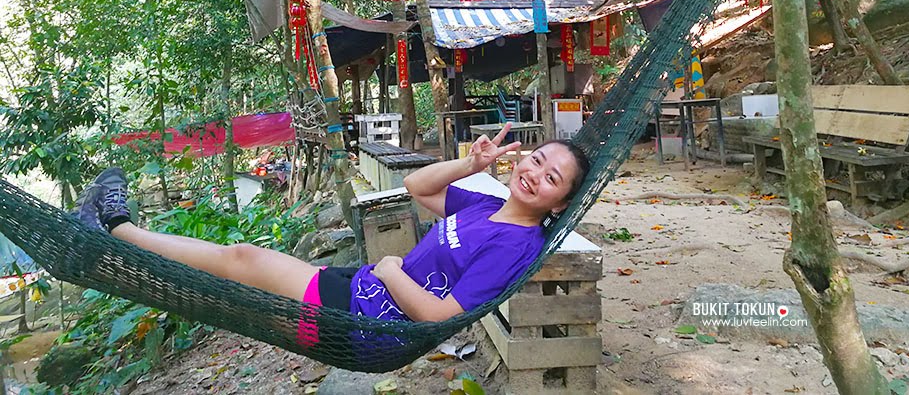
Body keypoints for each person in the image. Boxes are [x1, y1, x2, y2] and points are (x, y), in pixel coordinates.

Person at [72, 123, 589, 344]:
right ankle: (116, 236)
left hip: (370, 327)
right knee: (239, 272)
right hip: (363, 293)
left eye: (551, 179)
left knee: (241, 263)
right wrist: (468, 162)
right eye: (537, 160)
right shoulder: (488, 204)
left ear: (561, 202)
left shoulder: (517, 245)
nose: (535, 175)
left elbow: (439, 318)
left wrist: (390, 267)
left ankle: (116, 232)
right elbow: (415, 185)